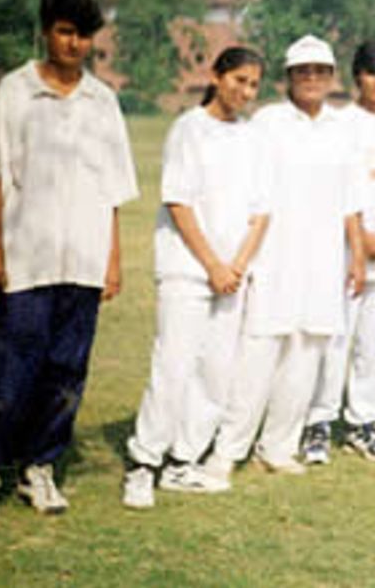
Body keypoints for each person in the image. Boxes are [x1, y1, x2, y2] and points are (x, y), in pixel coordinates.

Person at [0, 0, 138, 523]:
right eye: (64, 31)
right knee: (7, 375)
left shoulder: (102, 102)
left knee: (65, 374)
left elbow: (112, 190)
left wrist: (112, 261)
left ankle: (39, 466)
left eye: (83, 35)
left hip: (83, 262)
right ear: (45, 32)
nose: (73, 43)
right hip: (27, 259)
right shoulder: (17, 91)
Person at [202, 35, 365, 483]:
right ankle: (228, 449)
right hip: (274, 255)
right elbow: (247, 192)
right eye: (303, 72)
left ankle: (278, 446)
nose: (312, 79)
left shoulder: (342, 130)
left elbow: (352, 201)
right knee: (258, 354)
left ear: (331, 77)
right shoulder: (267, 123)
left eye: (320, 71)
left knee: (306, 355)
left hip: (324, 258)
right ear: (289, 77)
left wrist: (357, 256)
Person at [121, 47, 270, 509]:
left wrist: (237, 265)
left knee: (215, 371)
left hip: (232, 275)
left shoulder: (252, 137)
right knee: (173, 365)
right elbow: (179, 203)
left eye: (253, 84)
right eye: (239, 80)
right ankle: (144, 463)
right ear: (217, 76)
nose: (245, 91)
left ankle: (182, 461)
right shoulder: (189, 129)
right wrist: (212, 265)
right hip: (187, 269)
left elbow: (261, 211)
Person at [303, 41, 375, 462]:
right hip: (346, 252)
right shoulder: (340, 123)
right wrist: (361, 240)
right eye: (370, 73)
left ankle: (364, 422)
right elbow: (335, 189)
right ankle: (318, 422)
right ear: (356, 77)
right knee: (335, 339)